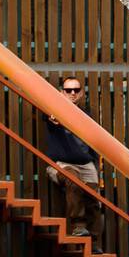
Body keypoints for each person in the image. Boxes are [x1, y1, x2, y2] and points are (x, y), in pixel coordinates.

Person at [41, 76, 104, 247]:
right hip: (62, 164)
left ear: (81, 93)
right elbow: (47, 116)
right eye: (68, 90)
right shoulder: (54, 111)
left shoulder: (86, 115)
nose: (72, 93)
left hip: (86, 164)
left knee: (94, 201)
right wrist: (50, 117)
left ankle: (94, 244)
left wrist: (95, 164)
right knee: (73, 179)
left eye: (76, 90)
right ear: (62, 92)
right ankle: (78, 226)